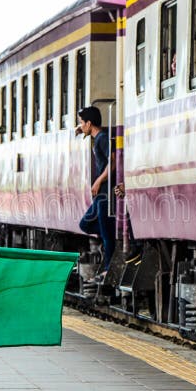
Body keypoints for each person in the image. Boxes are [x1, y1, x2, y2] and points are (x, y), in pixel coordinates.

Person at [75, 106, 115, 280]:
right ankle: (110, 234)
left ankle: (108, 267)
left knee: (106, 234)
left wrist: (98, 181)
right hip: (101, 195)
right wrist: (79, 130)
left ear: (89, 123)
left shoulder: (102, 139)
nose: (80, 126)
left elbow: (113, 162)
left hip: (105, 194)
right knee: (85, 224)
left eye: (81, 123)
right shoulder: (97, 137)